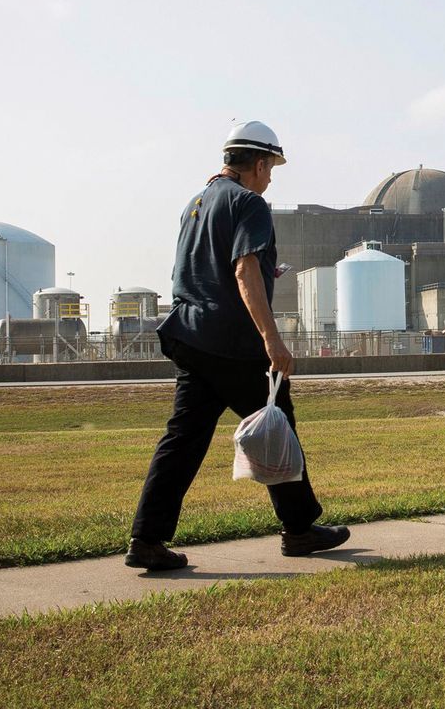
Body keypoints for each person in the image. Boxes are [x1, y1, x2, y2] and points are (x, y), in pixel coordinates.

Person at [127, 121, 348, 571]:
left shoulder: (196, 203)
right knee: (277, 424)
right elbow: (244, 272)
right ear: (260, 163)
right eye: (272, 169)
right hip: (232, 342)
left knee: (183, 441)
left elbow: (205, 269)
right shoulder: (250, 203)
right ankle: (300, 529)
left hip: (191, 336)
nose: (271, 179)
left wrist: (267, 272)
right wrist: (272, 339)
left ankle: (146, 539)